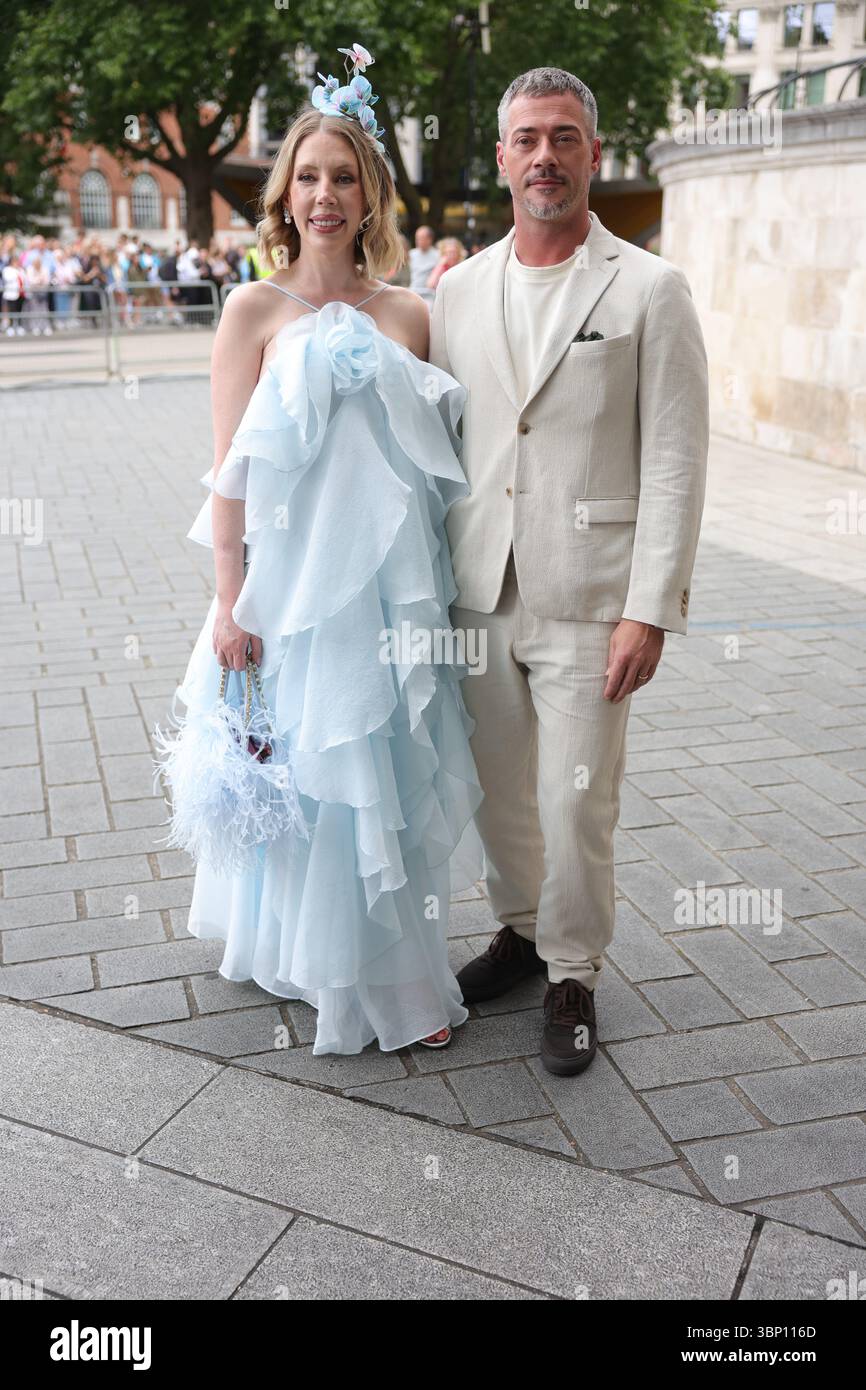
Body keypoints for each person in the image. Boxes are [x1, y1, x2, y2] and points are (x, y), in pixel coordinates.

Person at [156, 43, 484, 1056]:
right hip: (290, 586)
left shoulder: (412, 316)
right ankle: (318, 962)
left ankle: (393, 976)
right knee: (307, 771)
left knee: (382, 759)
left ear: (369, 191)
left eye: (344, 176)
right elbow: (228, 472)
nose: (325, 193)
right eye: (307, 175)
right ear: (284, 193)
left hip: (392, 589)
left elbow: (433, 464)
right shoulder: (253, 310)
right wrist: (229, 599)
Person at [430, 66, 709, 1076]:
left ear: (592, 152)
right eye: (524, 139)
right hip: (475, 587)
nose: (542, 155)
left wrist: (651, 607)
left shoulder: (647, 286)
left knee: (573, 798)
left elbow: (675, 456)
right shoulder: (455, 290)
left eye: (562, 137)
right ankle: (518, 931)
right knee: (495, 793)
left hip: (592, 595)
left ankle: (573, 973)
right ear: (500, 159)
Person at [407, 225, 439, 305]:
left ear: (430, 239)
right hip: (412, 292)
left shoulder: (438, 255)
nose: (418, 241)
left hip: (430, 295)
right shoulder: (411, 254)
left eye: (421, 238)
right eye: (417, 238)